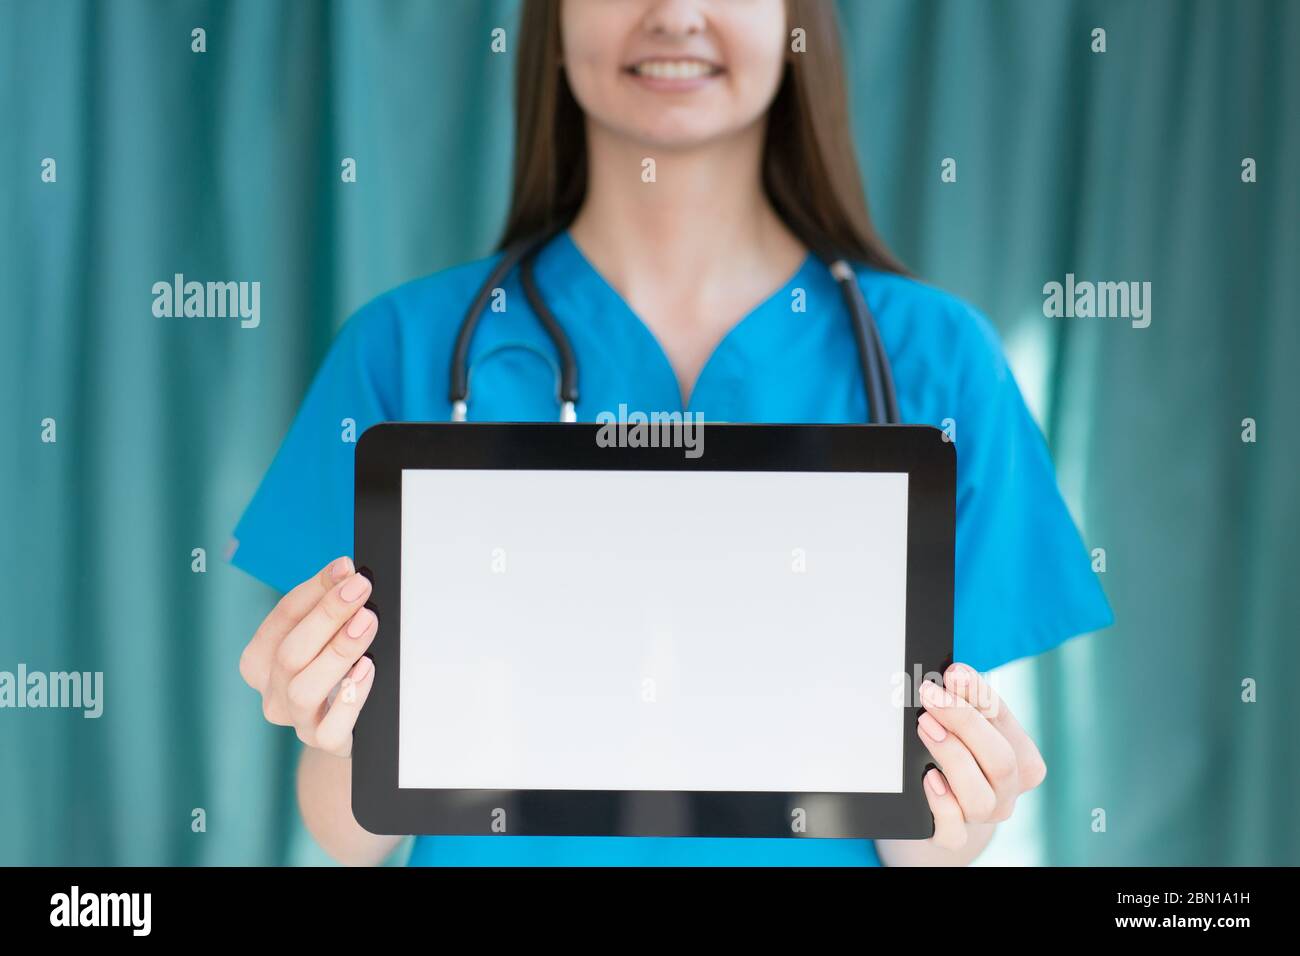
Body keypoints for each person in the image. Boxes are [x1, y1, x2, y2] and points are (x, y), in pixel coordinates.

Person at [233, 0, 1112, 866]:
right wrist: (333, 722)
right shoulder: (404, 350)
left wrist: (967, 805)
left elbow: (923, 840)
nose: (676, 13)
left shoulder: (939, 361)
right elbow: (348, 829)